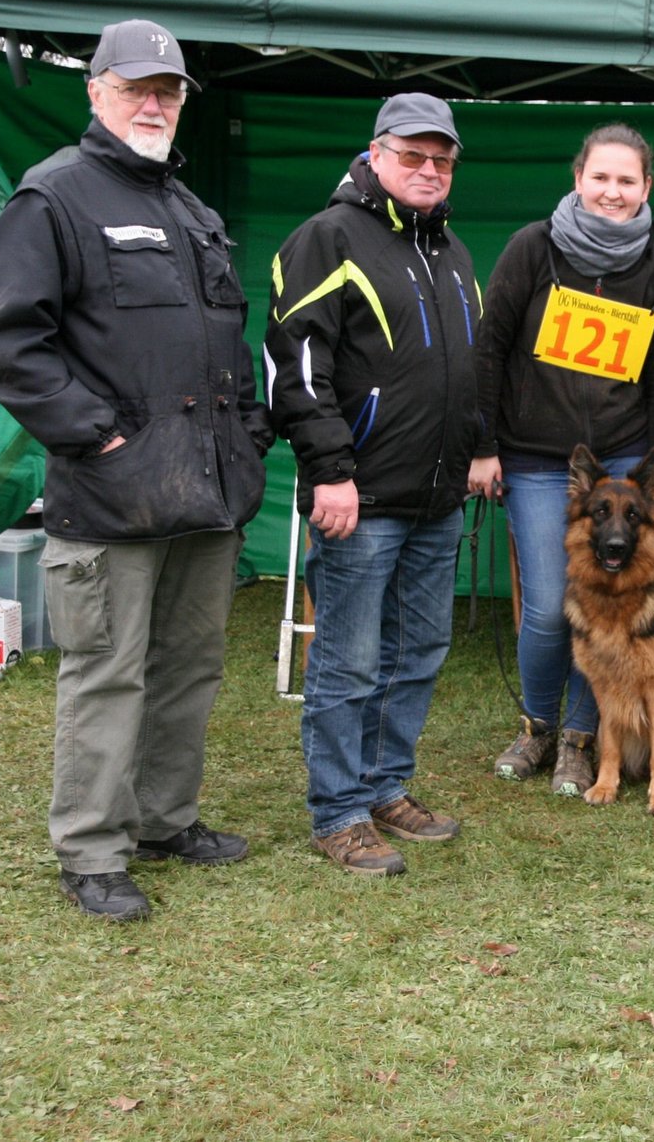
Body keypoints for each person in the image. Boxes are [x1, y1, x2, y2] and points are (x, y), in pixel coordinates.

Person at [0, 19, 271, 922]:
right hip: (111, 497)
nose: (155, 103)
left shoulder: (195, 214)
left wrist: (251, 433)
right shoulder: (55, 198)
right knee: (108, 671)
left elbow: (227, 341)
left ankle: (162, 819)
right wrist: (95, 436)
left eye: (170, 90)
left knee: (189, 667)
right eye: (138, 86)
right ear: (96, 91)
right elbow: (13, 344)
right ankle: (92, 850)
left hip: (205, 494)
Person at [263, 93, 481, 878]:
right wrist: (330, 470)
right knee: (349, 661)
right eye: (413, 156)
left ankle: (386, 788)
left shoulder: (450, 250)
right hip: (359, 498)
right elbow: (297, 367)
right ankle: (339, 813)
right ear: (376, 154)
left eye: (441, 160)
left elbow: (465, 367)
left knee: (417, 649)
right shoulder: (328, 238)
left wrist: (478, 449)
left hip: (437, 498)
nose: (428, 171)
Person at [470, 124, 654, 796]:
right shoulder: (531, 249)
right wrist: (481, 446)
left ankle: (581, 738)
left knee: (611, 611)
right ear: (578, 179)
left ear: (646, 187)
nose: (612, 192)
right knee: (546, 608)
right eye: (601, 178)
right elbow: (488, 348)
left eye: (627, 181)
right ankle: (537, 726)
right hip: (536, 459)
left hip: (622, 459)